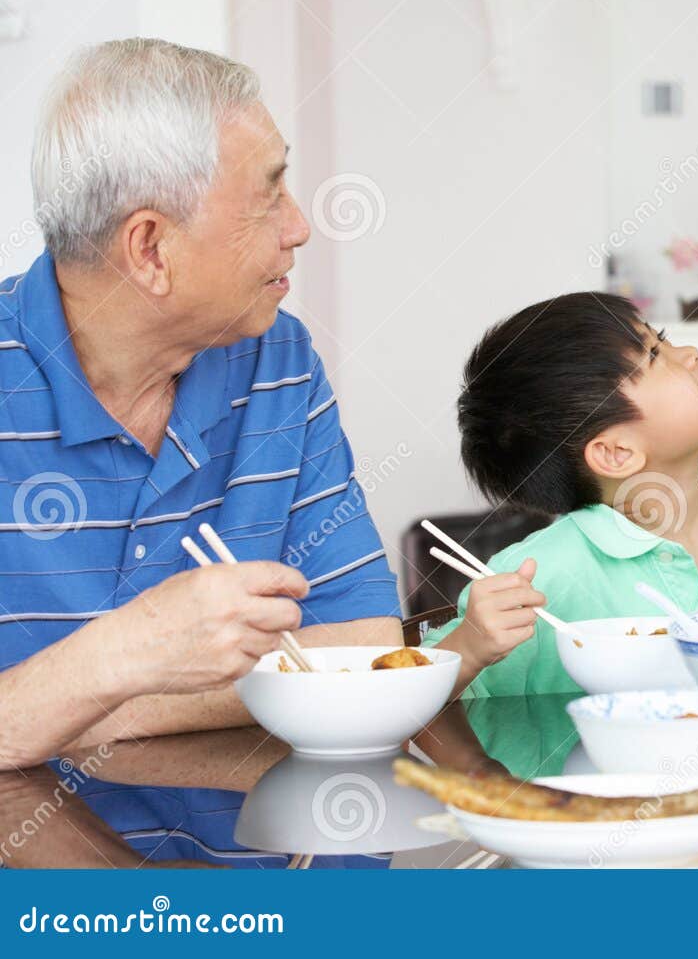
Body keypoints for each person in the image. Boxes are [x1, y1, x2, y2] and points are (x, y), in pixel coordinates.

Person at [0, 39, 402, 769]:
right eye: (268, 194)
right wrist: (123, 650)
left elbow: (364, 643)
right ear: (151, 250)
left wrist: (74, 711)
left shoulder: (277, 361)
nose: (299, 226)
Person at [422, 292, 698, 696]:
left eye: (664, 338)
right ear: (617, 453)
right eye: (654, 355)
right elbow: (418, 707)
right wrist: (472, 645)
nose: (689, 353)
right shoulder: (536, 580)